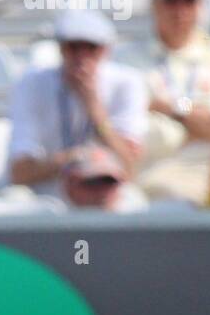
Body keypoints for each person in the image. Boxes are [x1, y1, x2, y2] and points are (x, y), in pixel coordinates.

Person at [9, 10, 146, 198]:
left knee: (132, 198)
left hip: (105, 190)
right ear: (61, 49)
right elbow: (20, 172)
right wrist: (71, 161)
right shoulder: (32, 83)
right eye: (74, 47)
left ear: (105, 51)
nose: (82, 58)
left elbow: (130, 168)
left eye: (91, 48)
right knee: (15, 197)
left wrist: (94, 108)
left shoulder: (127, 83)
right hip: (50, 191)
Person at [121, 0, 210, 206]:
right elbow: (125, 129)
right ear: (154, 5)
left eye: (189, 1)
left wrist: (174, 107)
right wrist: (195, 120)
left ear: (201, 7)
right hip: (145, 179)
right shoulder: (127, 59)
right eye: (171, 0)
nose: (180, 10)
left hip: (205, 176)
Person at [58, 144, 147, 212]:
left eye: (109, 181)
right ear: (71, 183)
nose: (101, 191)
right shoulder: (52, 212)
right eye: (93, 183)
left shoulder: (133, 206)